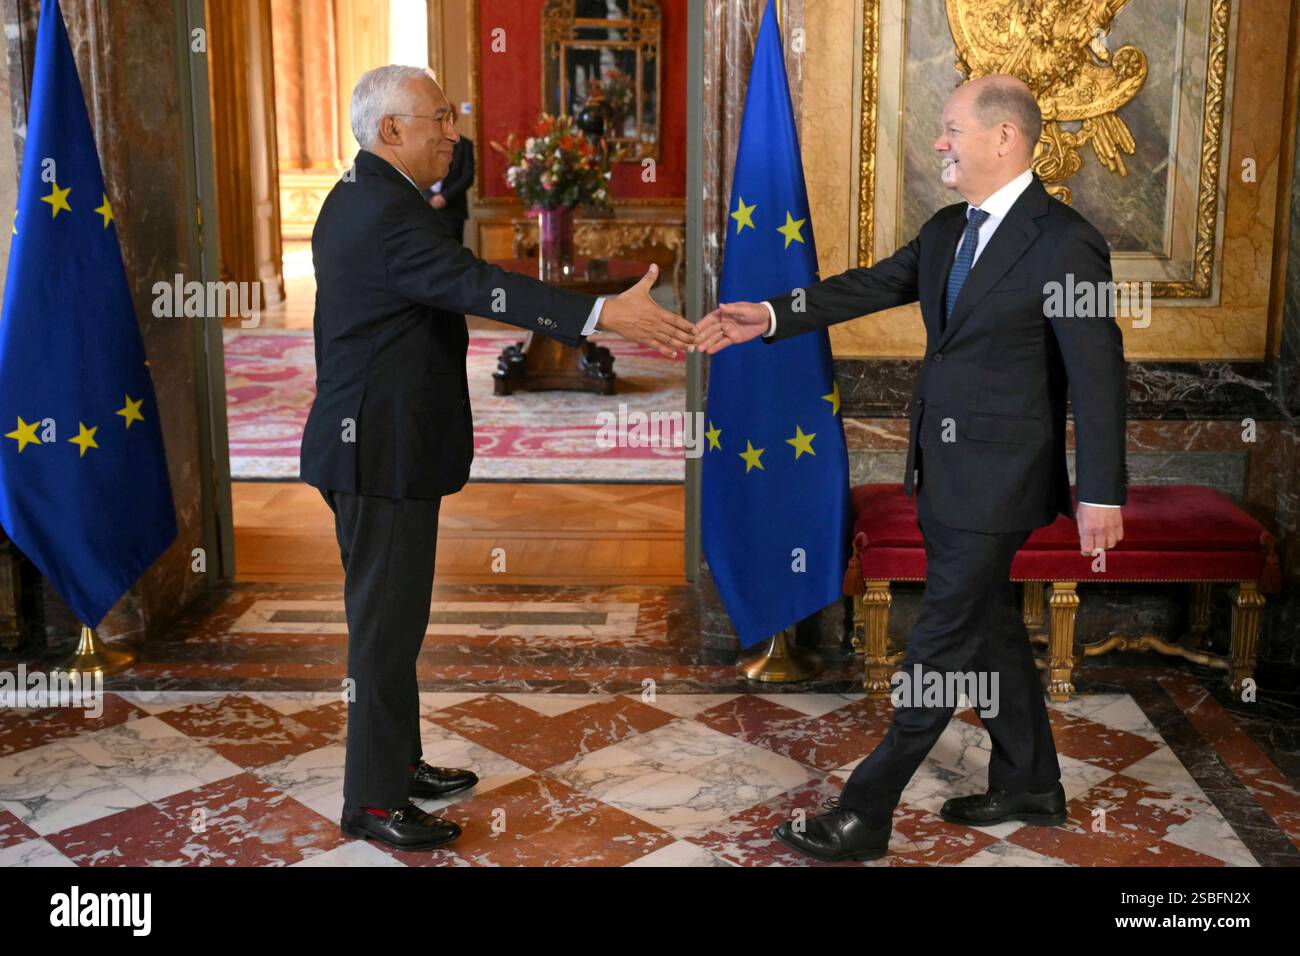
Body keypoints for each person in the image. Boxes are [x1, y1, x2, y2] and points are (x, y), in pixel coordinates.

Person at [695, 74, 1128, 862]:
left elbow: (1097, 376)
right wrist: (767, 316)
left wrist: (1101, 490)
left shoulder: (1065, 242)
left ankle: (867, 809)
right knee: (989, 627)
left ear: (1005, 137)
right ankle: (1030, 780)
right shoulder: (946, 231)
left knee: (935, 646)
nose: (940, 143)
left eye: (952, 128)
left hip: (998, 487)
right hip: (940, 471)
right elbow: (868, 287)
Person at [301, 64, 693, 852]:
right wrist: (601, 312)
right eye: (438, 118)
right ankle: (372, 802)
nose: (453, 131)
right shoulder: (384, 214)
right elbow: (481, 286)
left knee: (396, 623)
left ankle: (398, 762)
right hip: (379, 453)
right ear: (389, 132)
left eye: (452, 115)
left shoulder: (368, 196)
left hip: (381, 443)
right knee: (382, 630)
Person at [423, 134, 473, 244]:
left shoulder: (465, 144)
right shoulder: (423, 142)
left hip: (453, 211)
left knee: (453, 253)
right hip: (426, 208)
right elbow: (416, 171)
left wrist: (444, 197)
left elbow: (468, 176)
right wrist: (429, 196)